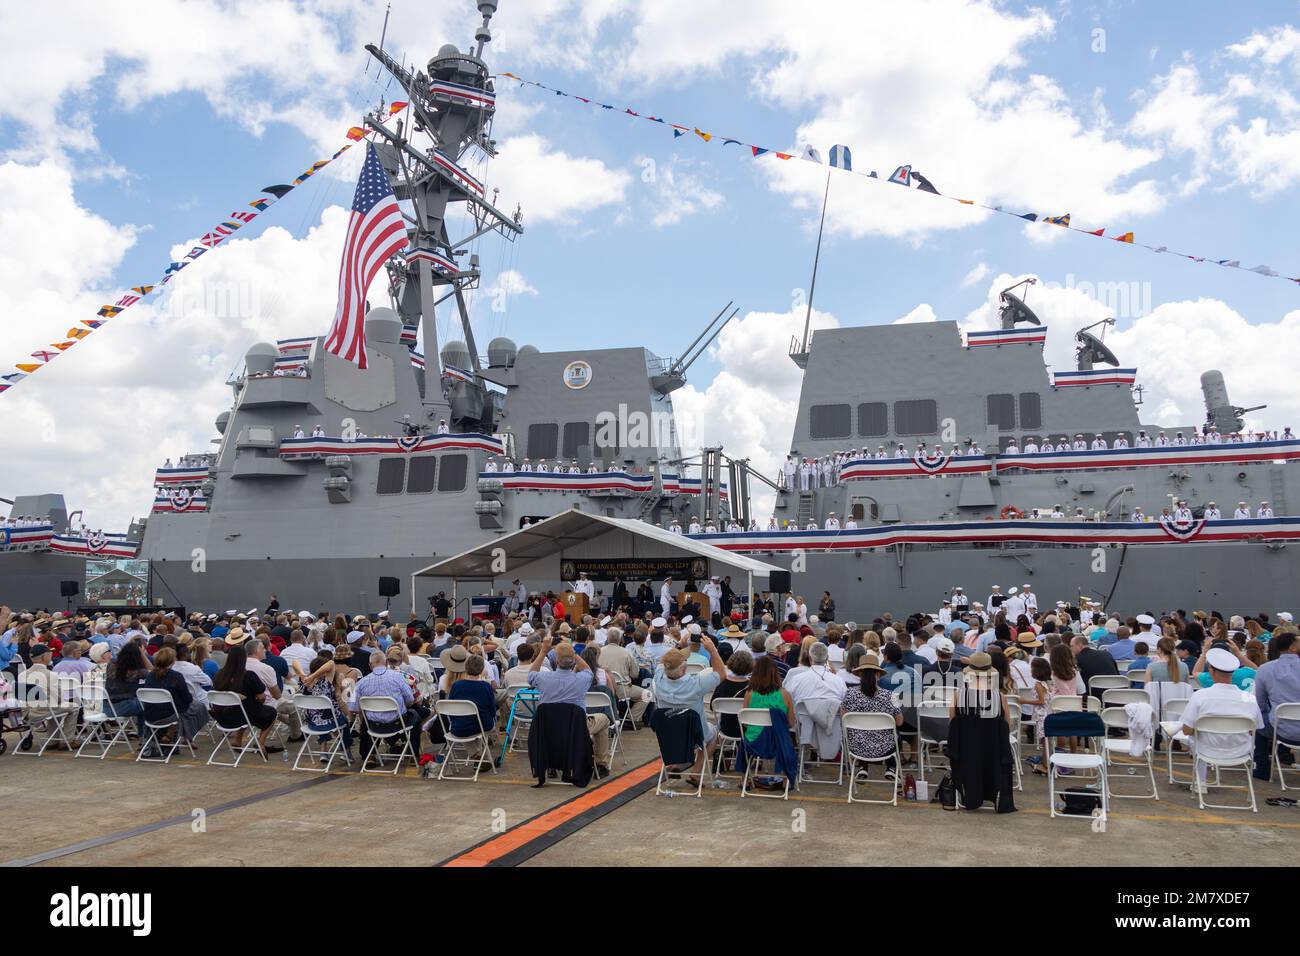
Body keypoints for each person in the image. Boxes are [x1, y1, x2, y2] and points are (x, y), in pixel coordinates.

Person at [1180, 647, 1264, 794]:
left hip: (1206, 749)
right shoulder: (1249, 698)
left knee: (1195, 736)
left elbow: (1187, 729)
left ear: (1211, 671)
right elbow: (1255, 729)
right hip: (1240, 750)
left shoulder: (1200, 696)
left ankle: (1201, 782)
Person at [528, 637, 612, 777]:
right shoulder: (581, 679)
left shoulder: (544, 678)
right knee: (604, 719)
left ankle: (551, 763)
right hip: (576, 728)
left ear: (556, 661)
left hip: (550, 728)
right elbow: (588, 670)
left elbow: (531, 675)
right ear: (573, 661)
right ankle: (601, 763)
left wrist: (543, 651)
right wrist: (573, 653)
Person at [652, 636, 726, 780]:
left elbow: (663, 663)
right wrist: (712, 650)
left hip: (670, 734)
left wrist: (679, 646)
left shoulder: (659, 679)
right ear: (683, 667)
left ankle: (676, 764)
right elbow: (721, 674)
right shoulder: (696, 684)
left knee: (682, 725)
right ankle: (696, 772)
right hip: (694, 734)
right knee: (713, 735)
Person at [353, 650, 423, 765]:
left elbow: (354, 708)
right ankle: (413, 754)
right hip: (397, 723)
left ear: (370, 665)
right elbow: (410, 700)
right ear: (386, 663)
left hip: (374, 725)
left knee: (366, 721)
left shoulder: (361, 683)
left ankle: (369, 754)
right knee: (415, 716)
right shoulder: (398, 677)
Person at [211, 642, 281, 755]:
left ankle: (237, 740)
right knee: (271, 712)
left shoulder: (220, 674)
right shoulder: (248, 675)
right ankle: (261, 742)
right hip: (242, 716)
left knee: (245, 708)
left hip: (222, 717)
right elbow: (262, 697)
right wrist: (257, 702)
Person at [841, 652, 903, 771]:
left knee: (861, 734)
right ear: (878, 675)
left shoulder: (850, 694)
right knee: (896, 735)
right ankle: (891, 768)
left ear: (859, 674)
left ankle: (863, 767)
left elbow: (843, 719)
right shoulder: (890, 696)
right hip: (885, 747)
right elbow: (899, 722)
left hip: (856, 747)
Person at [1253, 631, 1300, 781]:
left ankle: (1263, 768)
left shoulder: (1265, 669)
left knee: (1259, 722)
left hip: (1280, 728)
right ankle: (1284, 754)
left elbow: (1259, 704)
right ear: (1293, 647)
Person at [140, 647, 208, 752]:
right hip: (169, 714)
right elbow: (187, 698)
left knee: (181, 708)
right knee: (198, 707)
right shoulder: (176, 676)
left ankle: (174, 733)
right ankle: (182, 735)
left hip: (150, 714)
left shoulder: (150, 675)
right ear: (172, 661)